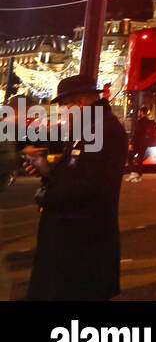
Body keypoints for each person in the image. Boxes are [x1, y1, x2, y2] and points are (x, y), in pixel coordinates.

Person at [23, 76, 128, 300]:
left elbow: (90, 185)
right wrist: (46, 170)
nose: (62, 112)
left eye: (64, 106)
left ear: (80, 103)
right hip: (72, 237)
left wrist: (47, 197)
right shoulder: (89, 127)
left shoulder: (101, 129)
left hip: (81, 240)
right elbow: (76, 172)